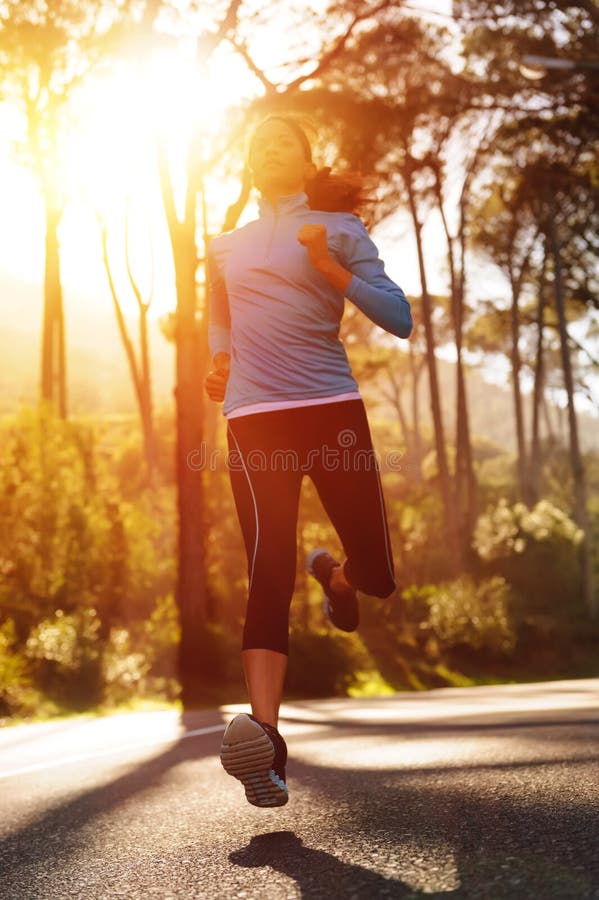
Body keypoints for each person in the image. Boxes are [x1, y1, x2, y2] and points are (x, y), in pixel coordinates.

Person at [204, 113, 412, 808]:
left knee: (379, 575)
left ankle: (339, 577)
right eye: (257, 141)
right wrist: (218, 363)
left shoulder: (341, 230)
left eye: (283, 141)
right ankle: (265, 739)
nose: (268, 148)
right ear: (249, 161)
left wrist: (327, 266)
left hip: (329, 409)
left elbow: (398, 315)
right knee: (266, 569)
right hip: (253, 418)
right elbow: (220, 315)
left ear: (304, 158)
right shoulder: (224, 245)